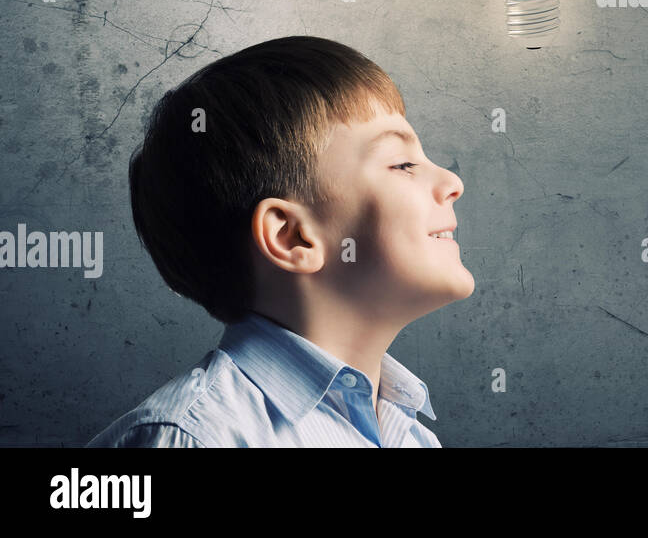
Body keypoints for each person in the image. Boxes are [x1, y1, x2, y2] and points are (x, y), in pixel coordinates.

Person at [86, 36, 470, 447]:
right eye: (403, 164)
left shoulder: (411, 434)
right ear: (292, 236)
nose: (453, 182)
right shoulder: (195, 437)